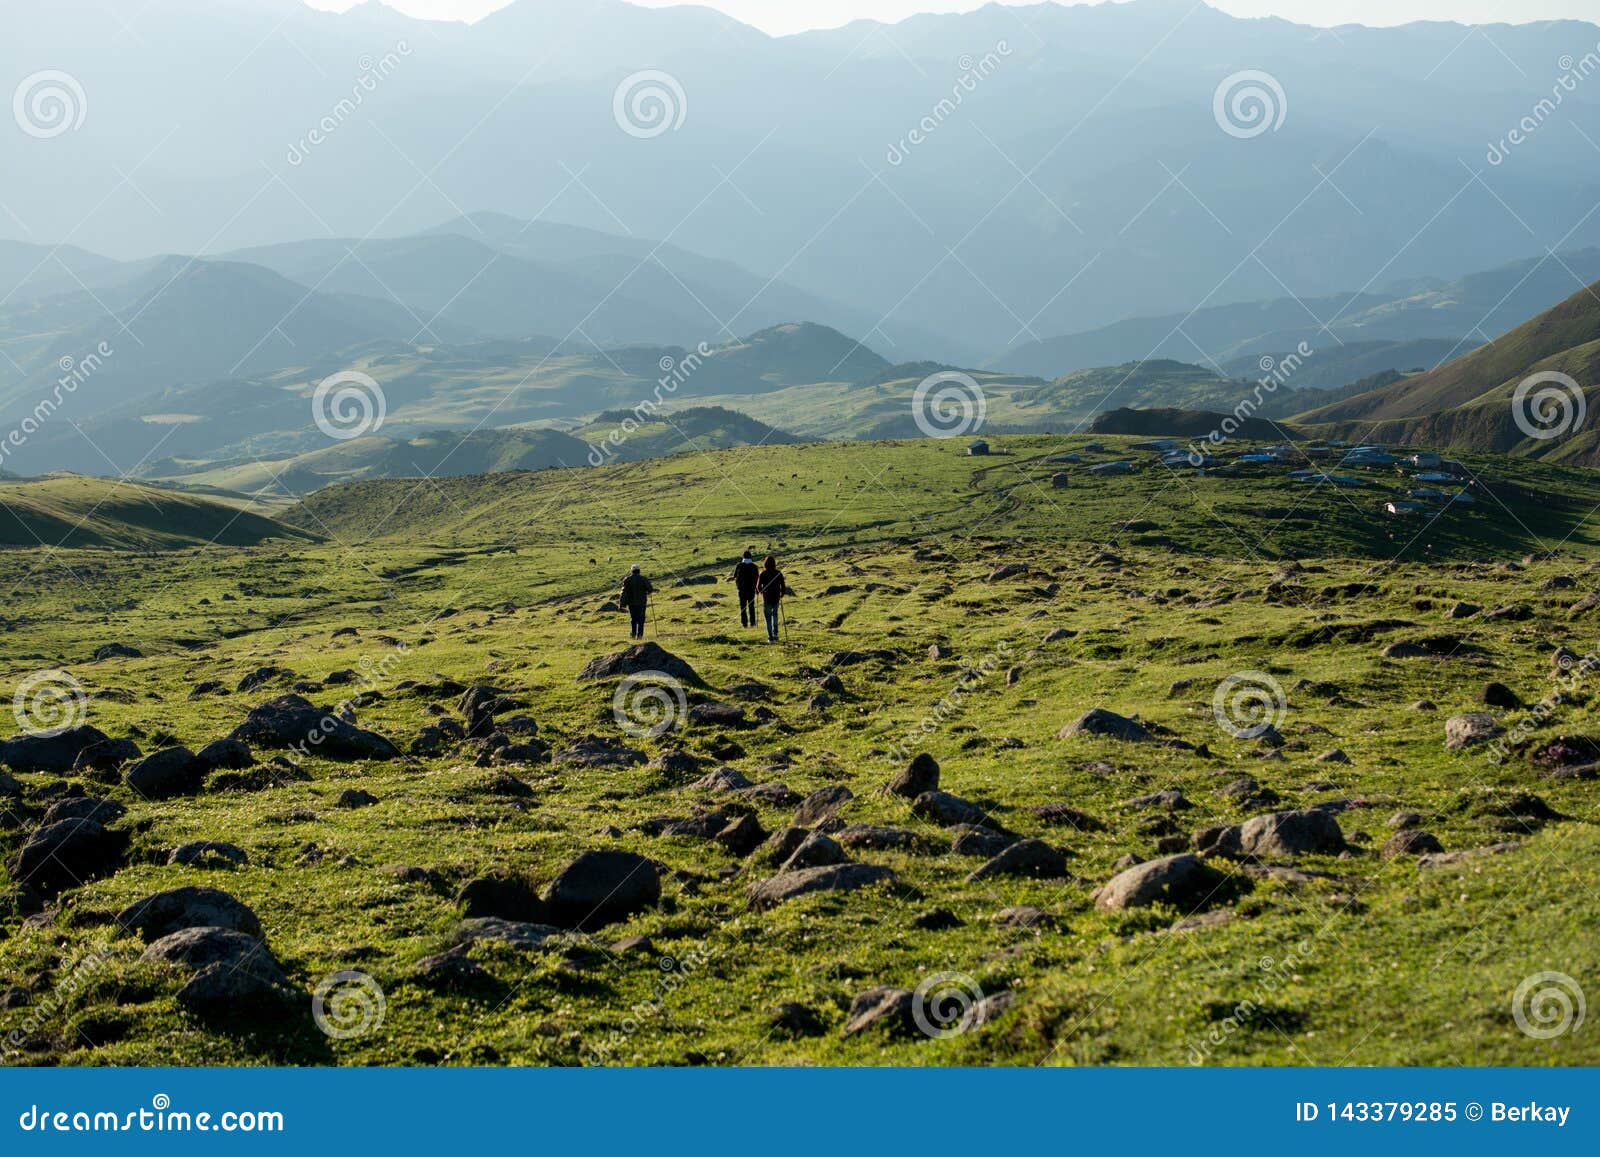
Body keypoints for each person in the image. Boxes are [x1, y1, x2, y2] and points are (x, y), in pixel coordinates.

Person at [754, 554, 792, 643]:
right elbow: (783, 585)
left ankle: (770, 637)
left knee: (768, 617)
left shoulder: (763, 573)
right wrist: (781, 594)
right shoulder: (778, 573)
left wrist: (761, 592)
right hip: (776, 597)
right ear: (774, 563)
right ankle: (776, 633)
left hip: (767, 598)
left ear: (765, 564)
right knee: (775, 614)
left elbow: (758, 586)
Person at [618, 564, 653, 639]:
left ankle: (633, 634)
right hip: (642, 603)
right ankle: (639, 635)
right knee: (641, 618)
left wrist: (621, 604)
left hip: (631, 603)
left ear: (631, 571)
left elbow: (623, 592)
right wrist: (647, 591)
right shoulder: (643, 579)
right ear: (639, 570)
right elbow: (650, 589)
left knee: (633, 618)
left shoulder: (627, 579)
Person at [729, 548, 760, 628]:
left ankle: (744, 623)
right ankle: (752, 623)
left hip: (742, 589)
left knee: (743, 607)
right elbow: (757, 578)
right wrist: (757, 589)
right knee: (751, 606)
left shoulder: (739, 565)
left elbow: (734, 576)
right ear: (750, 557)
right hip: (751, 589)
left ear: (743, 557)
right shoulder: (754, 566)